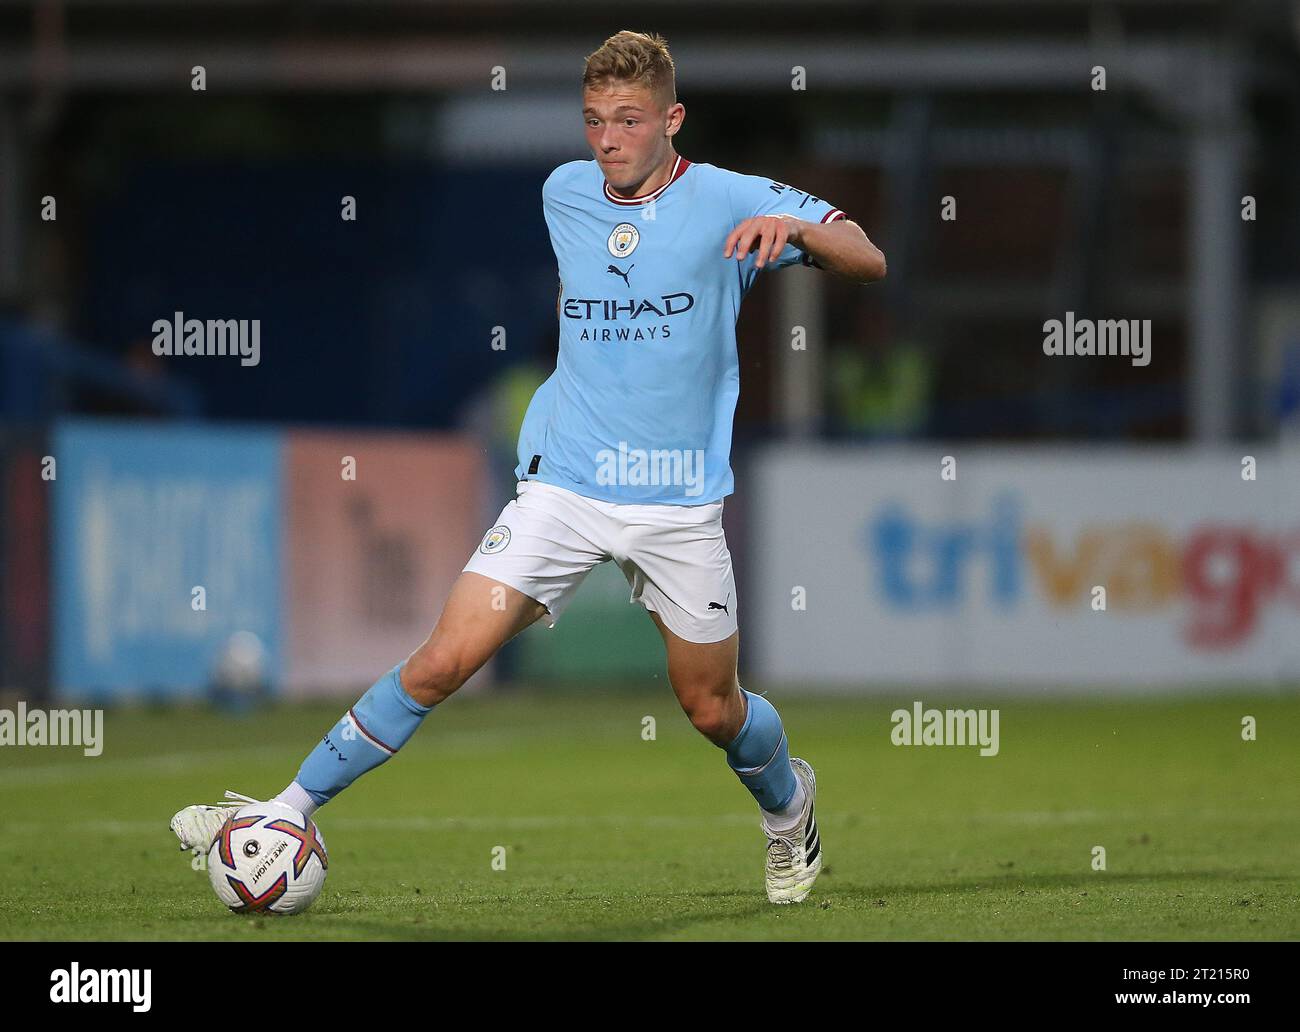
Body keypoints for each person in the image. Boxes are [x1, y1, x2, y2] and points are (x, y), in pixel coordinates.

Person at [171, 29, 886, 905]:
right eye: (593, 121)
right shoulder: (566, 192)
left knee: (711, 708)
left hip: (676, 501)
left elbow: (868, 256)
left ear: (673, 119)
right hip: (565, 487)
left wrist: (800, 231)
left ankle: (788, 809)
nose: (607, 140)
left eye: (628, 120)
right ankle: (284, 810)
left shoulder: (732, 198)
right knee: (441, 660)